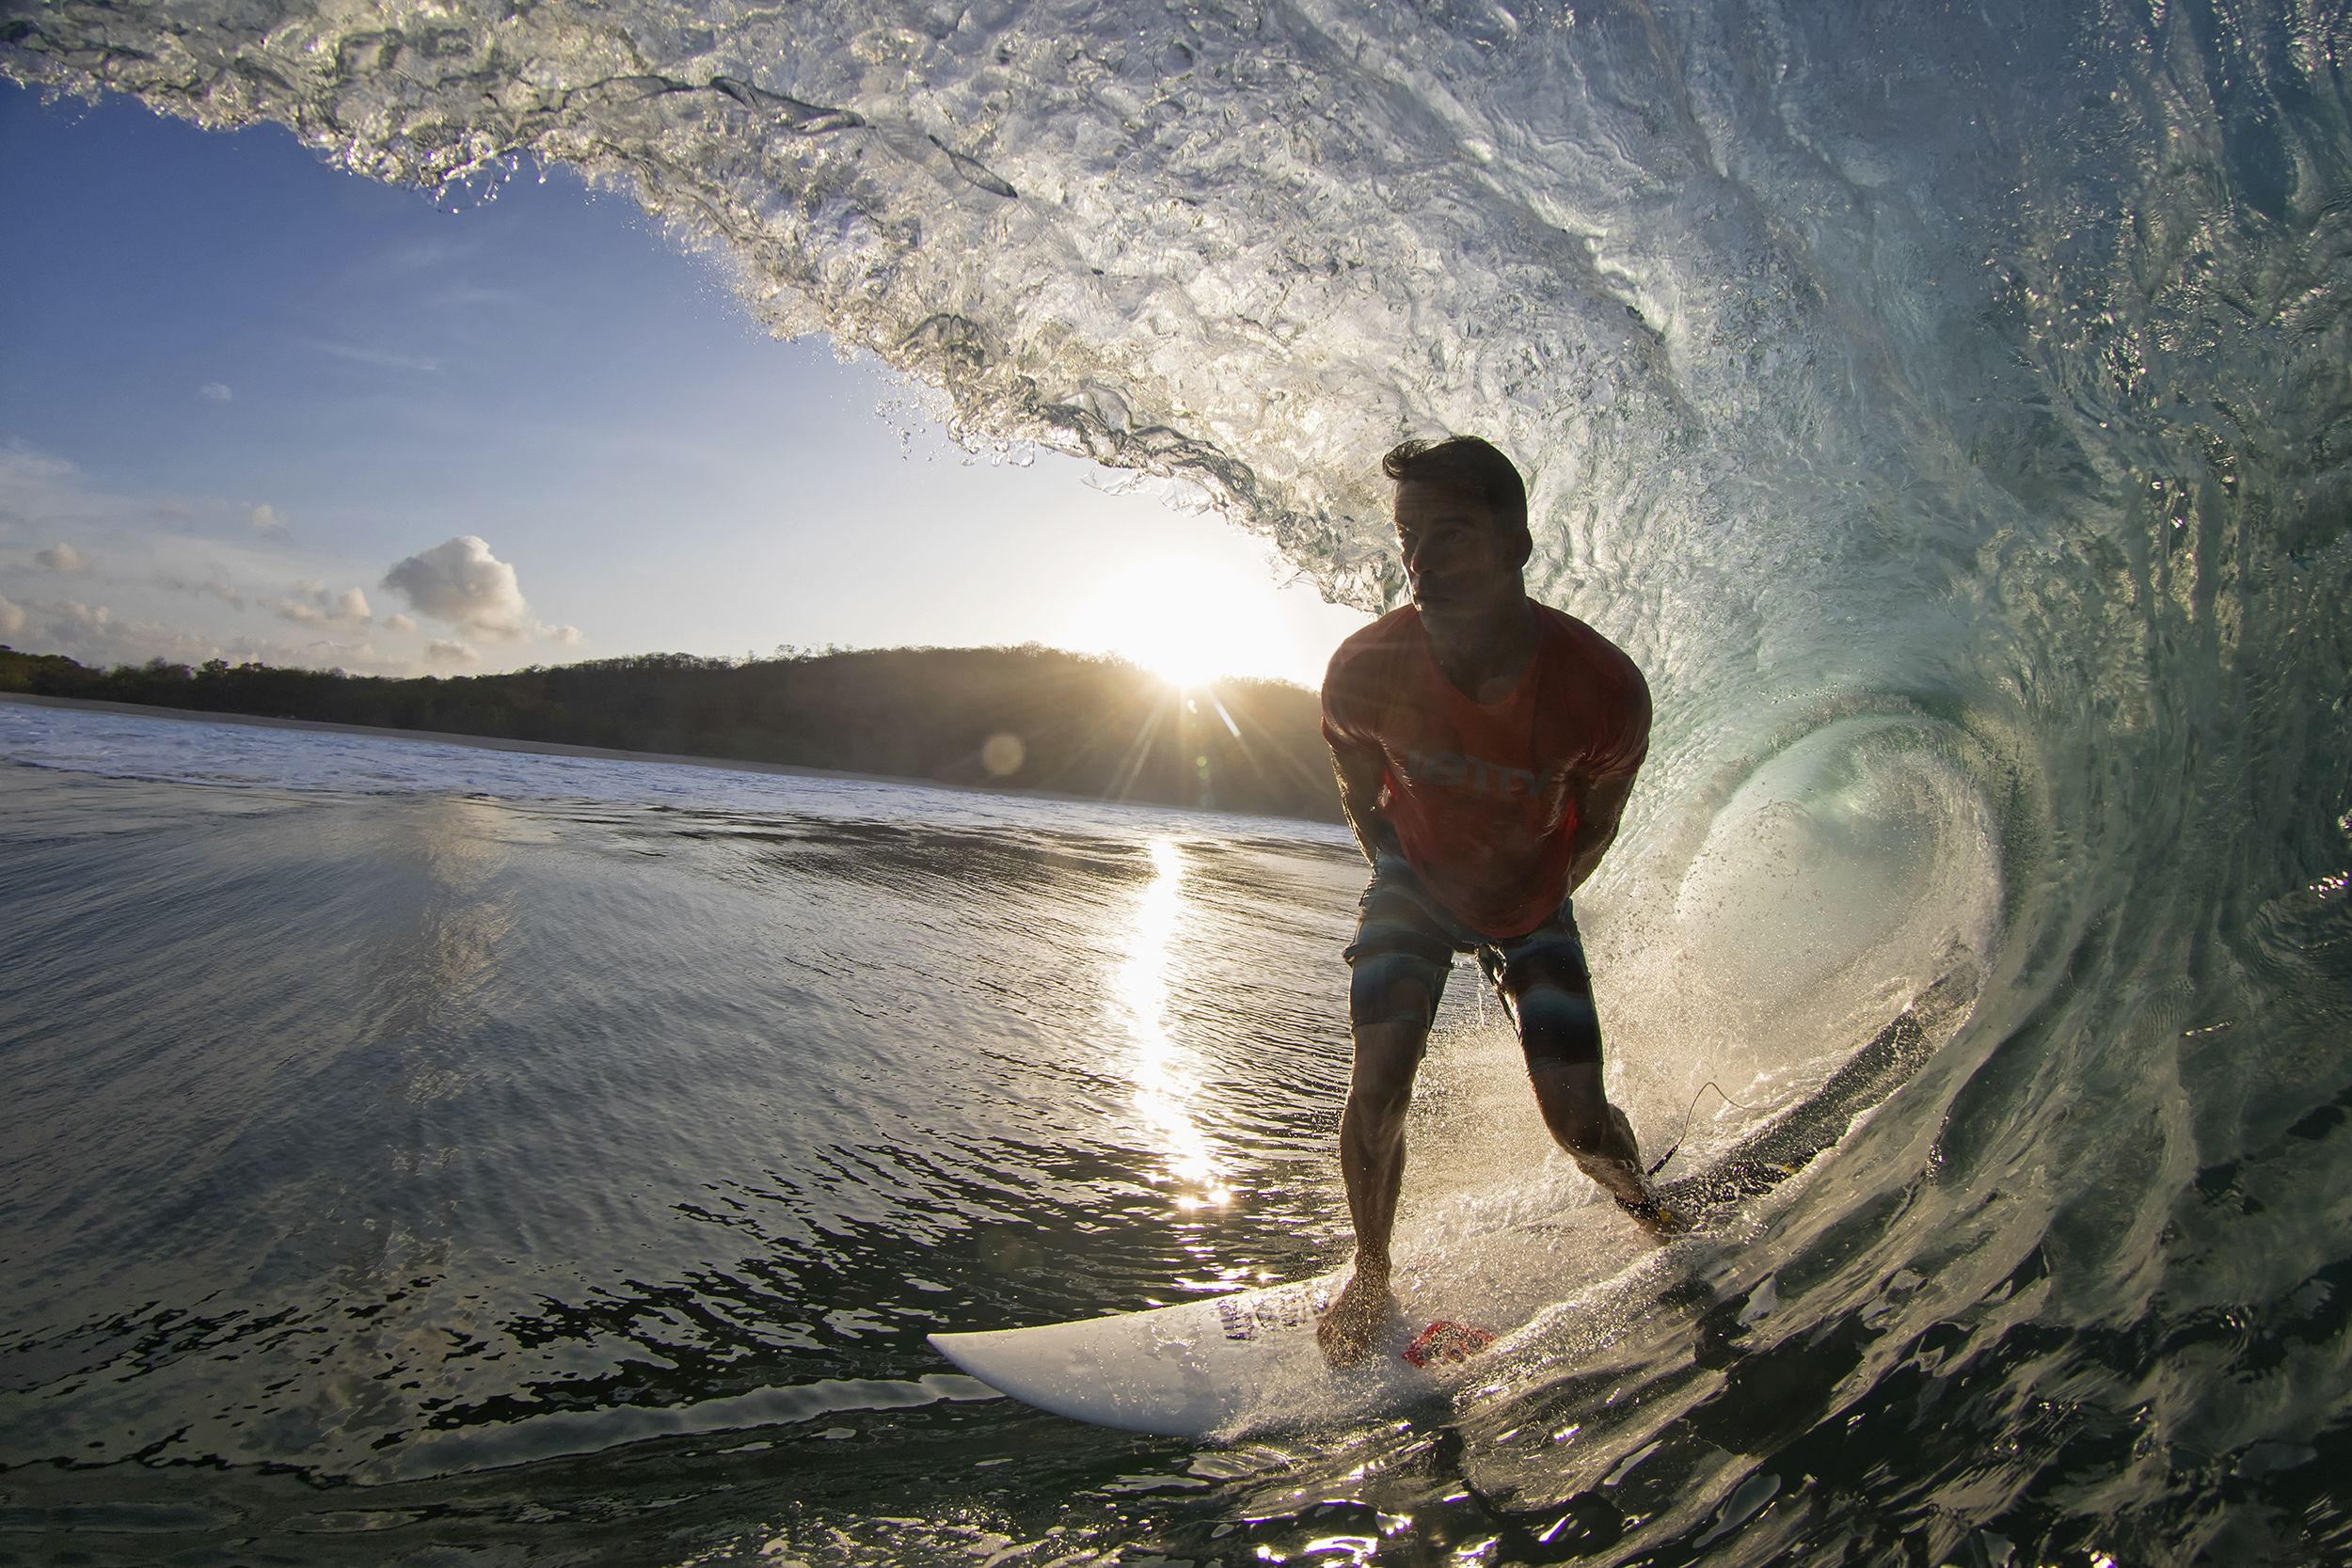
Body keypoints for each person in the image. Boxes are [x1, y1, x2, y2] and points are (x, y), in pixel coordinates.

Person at [1316, 435, 1685, 1369]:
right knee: (1379, 1084)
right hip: (1413, 889)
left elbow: (1593, 830)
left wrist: (1524, 913)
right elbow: (1363, 797)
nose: (1423, 560)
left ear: (1517, 542)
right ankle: (1370, 1269)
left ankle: (1653, 1217)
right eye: (1409, 535)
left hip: (1531, 902)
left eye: (1452, 533)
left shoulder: (1600, 689)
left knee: (1578, 1122)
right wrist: (1405, 883)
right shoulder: (1362, 670)